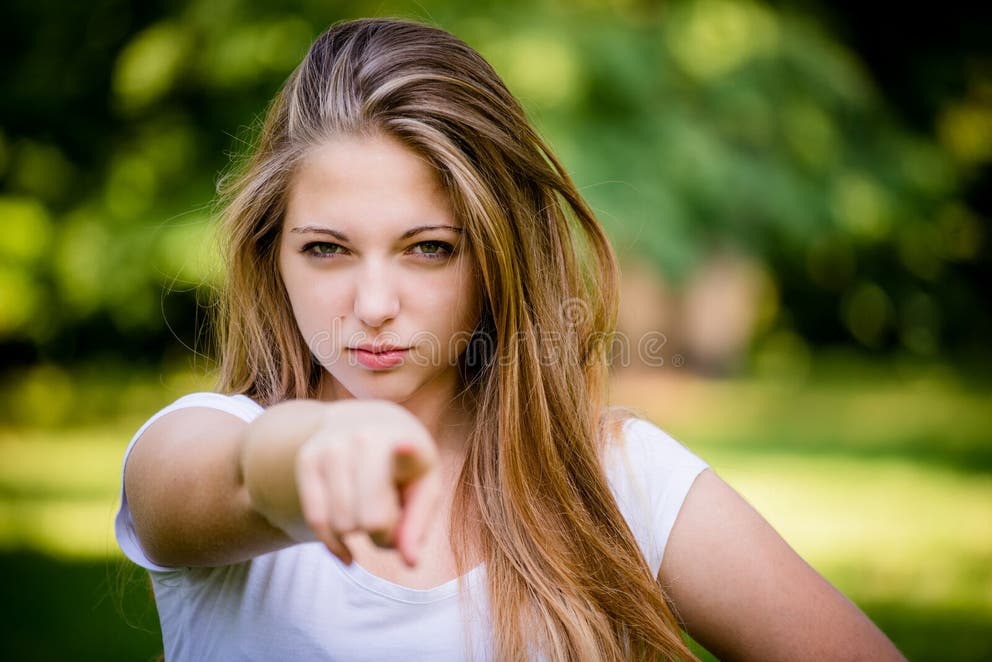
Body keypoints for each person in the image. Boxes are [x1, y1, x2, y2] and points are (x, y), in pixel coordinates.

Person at [115, 17, 905, 661]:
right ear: (272, 254)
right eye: (327, 248)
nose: (375, 303)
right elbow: (238, 478)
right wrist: (318, 448)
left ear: (497, 257)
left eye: (429, 248)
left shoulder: (616, 478)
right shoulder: (199, 442)